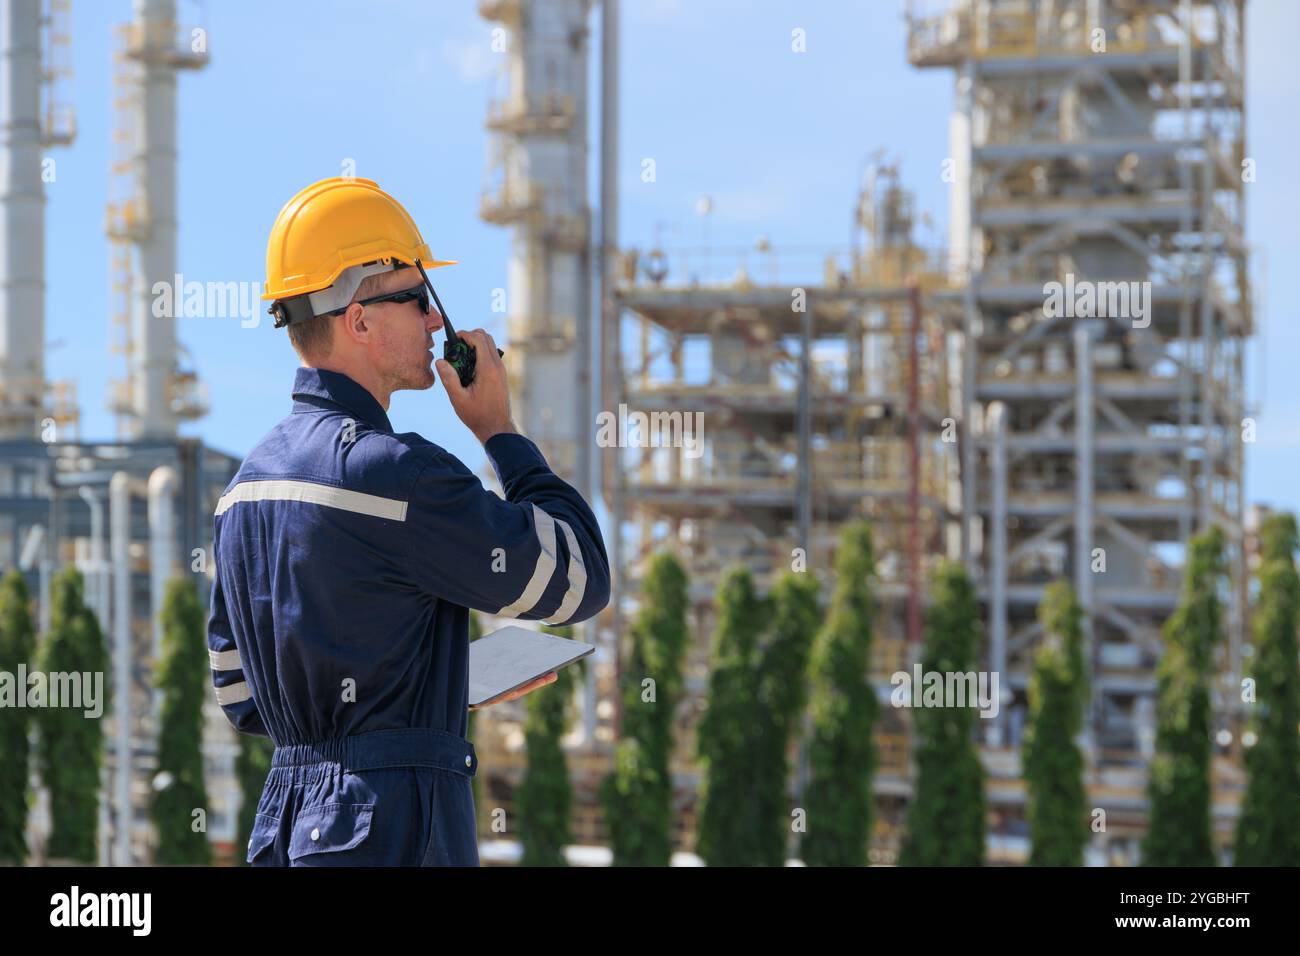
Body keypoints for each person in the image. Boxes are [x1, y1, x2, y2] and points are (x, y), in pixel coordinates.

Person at [207, 177, 610, 866]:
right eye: (417, 298)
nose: (434, 323)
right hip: (390, 826)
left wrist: (426, 689)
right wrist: (500, 433)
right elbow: (578, 577)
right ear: (358, 318)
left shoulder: (244, 491)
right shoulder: (399, 475)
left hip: (287, 830)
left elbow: (242, 696)